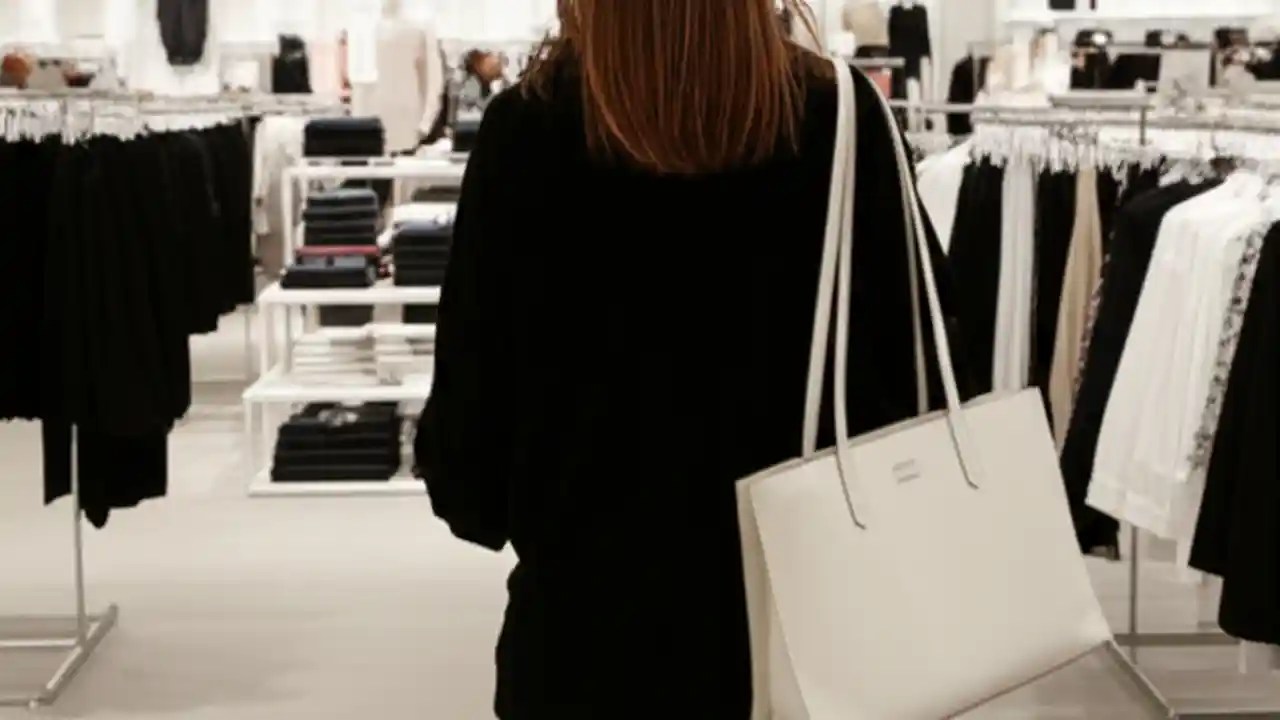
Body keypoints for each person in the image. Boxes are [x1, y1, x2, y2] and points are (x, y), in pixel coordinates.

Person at [416, 1, 968, 717]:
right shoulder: (843, 116)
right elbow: (916, 362)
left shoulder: (529, 127)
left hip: (589, 630)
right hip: (810, 626)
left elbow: (471, 436)